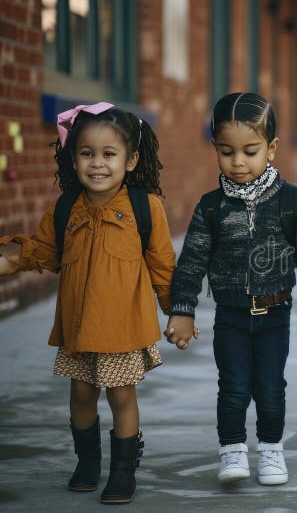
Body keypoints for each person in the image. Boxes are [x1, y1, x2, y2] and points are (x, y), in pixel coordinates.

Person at [0, 103, 175, 504]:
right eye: (87, 153)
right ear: (72, 158)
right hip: (78, 328)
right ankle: (87, 462)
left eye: (109, 154)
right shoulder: (65, 209)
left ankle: (123, 470)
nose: (97, 163)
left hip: (123, 328)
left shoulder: (145, 209)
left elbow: (163, 265)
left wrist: (176, 313)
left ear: (130, 160)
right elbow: (37, 252)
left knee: (120, 395)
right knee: (80, 395)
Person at [166, 92, 297, 486]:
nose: (238, 162)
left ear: (271, 148)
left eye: (250, 151)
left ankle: (271, 450)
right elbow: (192, 262)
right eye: (226, 151)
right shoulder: (211, 208)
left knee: (270, 388)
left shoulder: (291, 201)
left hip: (275, 315)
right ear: (215, 148)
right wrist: (181, 310)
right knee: (233, 386)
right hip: (231, 316)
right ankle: (232, 450)